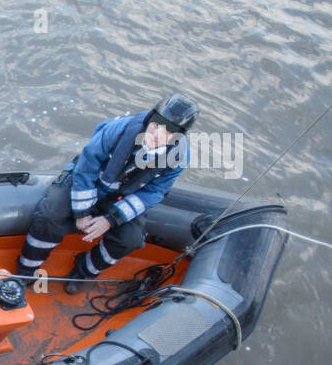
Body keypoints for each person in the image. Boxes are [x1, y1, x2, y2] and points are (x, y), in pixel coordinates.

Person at [15, 93, 198, 292]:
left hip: (122, 198)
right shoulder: (119, 130)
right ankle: (26, 269)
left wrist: (111, 219)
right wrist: (82, 212)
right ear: (150, 119)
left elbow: (155, 192)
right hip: (88, 183)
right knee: (50, 214)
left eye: (168, 131)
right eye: (156, 125)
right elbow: (87, 164)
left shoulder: (178, 158)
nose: (157, 134)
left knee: (131, 239)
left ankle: (83, 271)